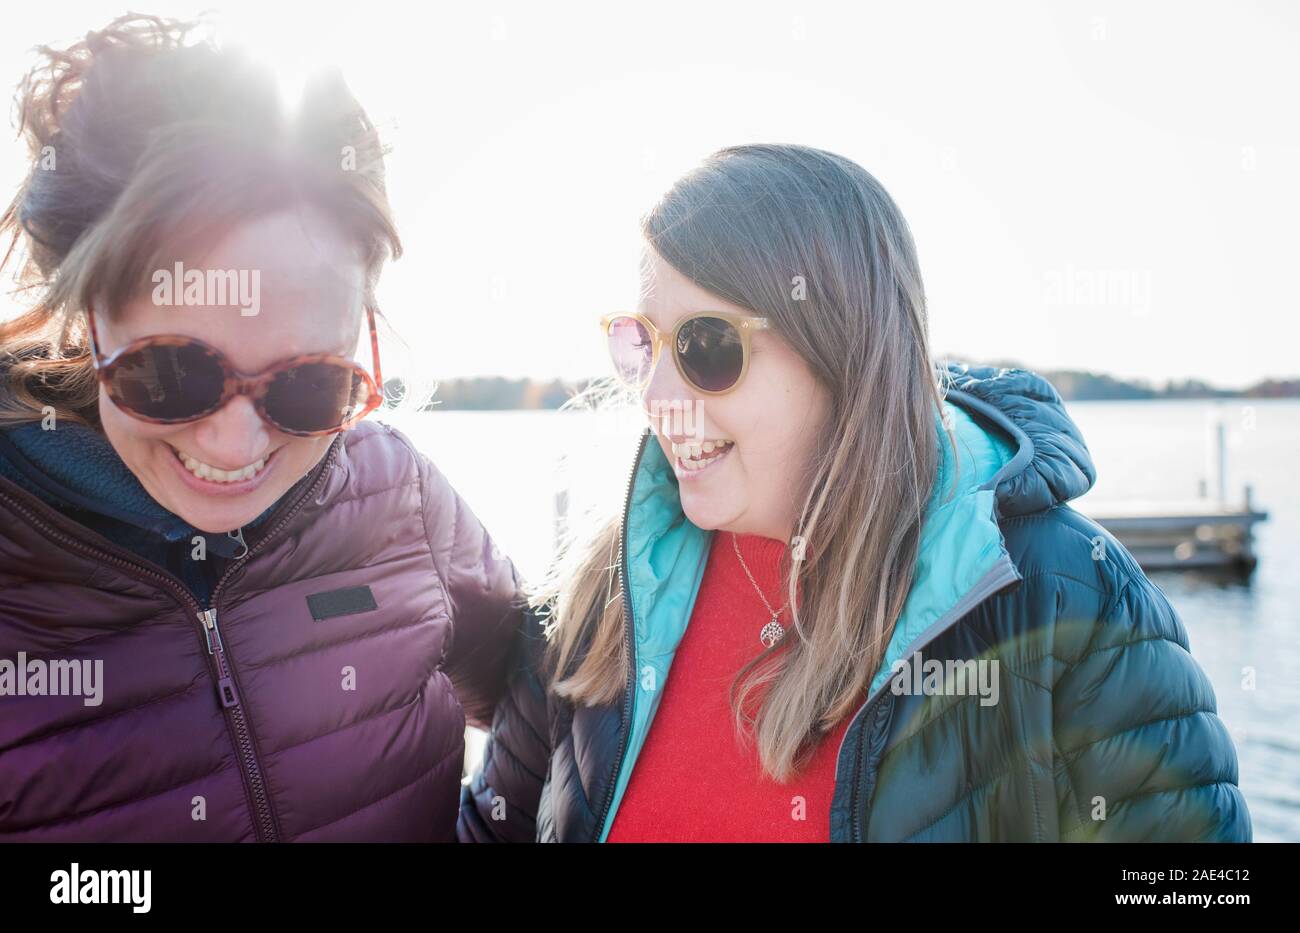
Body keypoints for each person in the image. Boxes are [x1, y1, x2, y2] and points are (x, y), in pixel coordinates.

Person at [458, 144, 1251, 842]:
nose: (657, 393)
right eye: (644, 341)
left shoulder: (1064, 600)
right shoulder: (600, 596)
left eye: (706, 345)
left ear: (842, 353)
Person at [0, 14, 522, 841]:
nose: (235, 448)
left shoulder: (397, 496)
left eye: (311, 386)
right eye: (172, 375)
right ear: (90, 318)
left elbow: (552, 694)